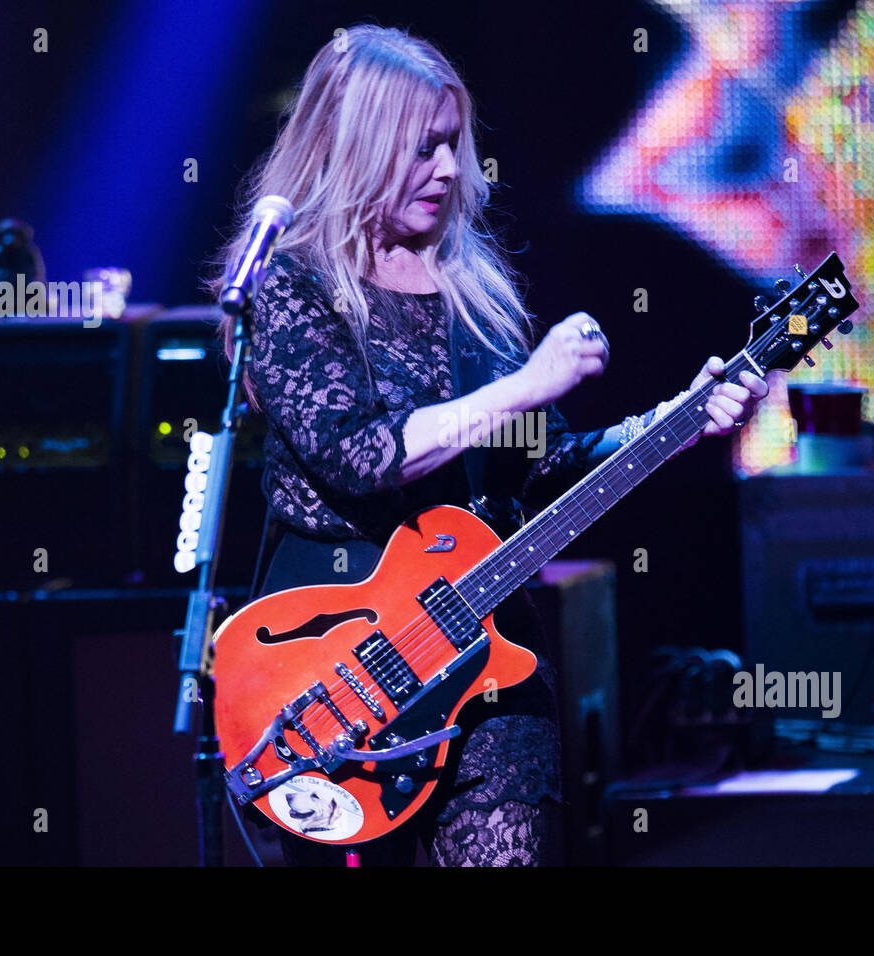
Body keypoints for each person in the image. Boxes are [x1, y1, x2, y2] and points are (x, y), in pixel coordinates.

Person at [208, 24, 768, 866]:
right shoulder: (293, 285)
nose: (445, 168)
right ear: (356, 145)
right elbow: (360, 455)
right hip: (331, 671)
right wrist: (524, 385)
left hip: (486, 661)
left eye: (451, 144)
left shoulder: (473, 290)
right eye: (419, 147)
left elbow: (534, 461)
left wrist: (679, 420)